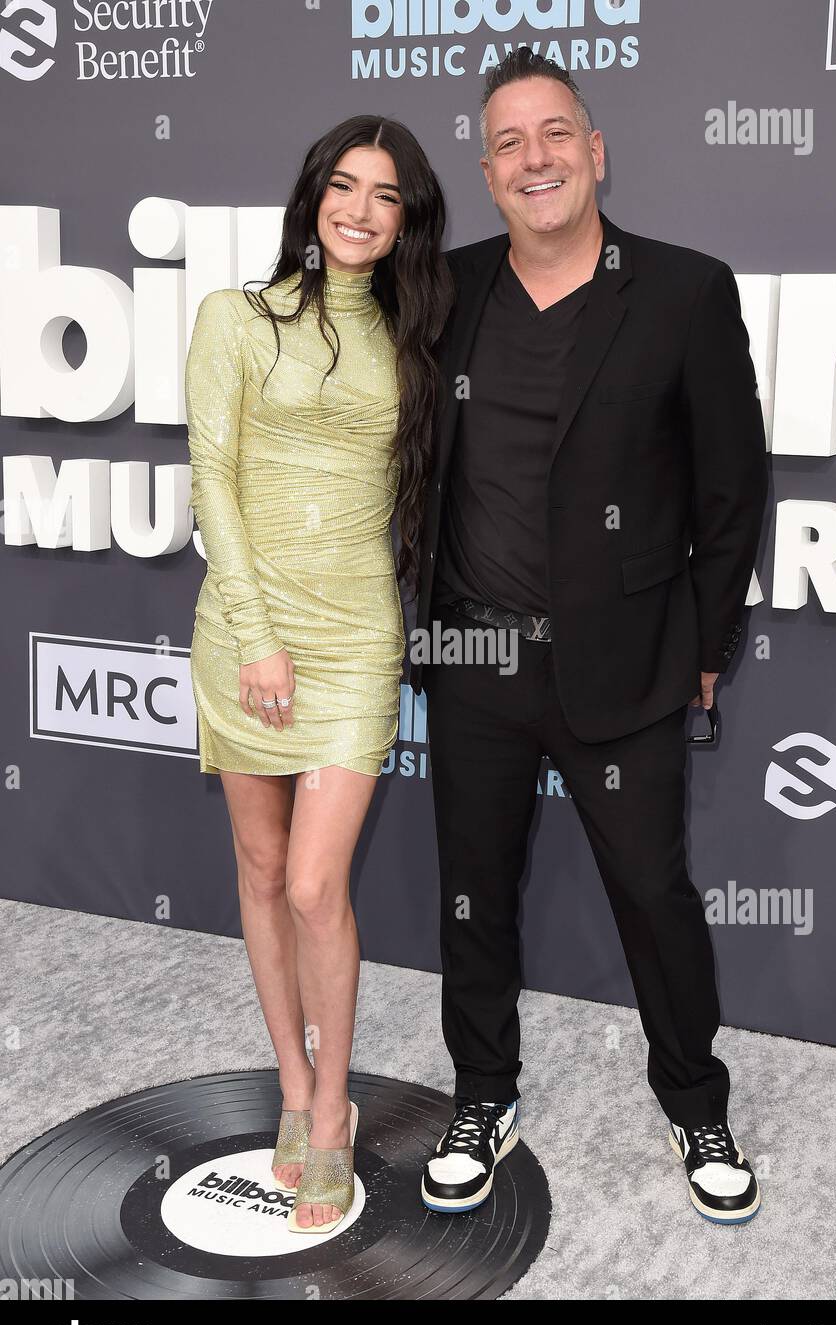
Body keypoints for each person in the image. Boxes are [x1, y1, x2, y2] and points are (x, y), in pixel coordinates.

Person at [411, 50, 769, 1224]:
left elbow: (730, 489)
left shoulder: (681, 290)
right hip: (474, 661)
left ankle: (694, 1097)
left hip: (624, 661)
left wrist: (707, 642)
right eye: (508, 144)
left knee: (653, 892)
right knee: (471, 892)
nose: (535, 159)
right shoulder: (445, 290)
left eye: (554, 134)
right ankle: (481, 1090)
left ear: (596, 150)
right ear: (485, 170)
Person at [185, 116, 452, 1234]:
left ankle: (333, 1107)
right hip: (246, 627)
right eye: (342, 187)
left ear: (405, 221)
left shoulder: (416, 339)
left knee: (310, 884)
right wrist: (253, 634)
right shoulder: (233, 319)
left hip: (354, 635)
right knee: (257, 869)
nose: (358, 209)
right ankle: (290, 1089)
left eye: (383, 196)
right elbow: (214, 476)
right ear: (311, 200)